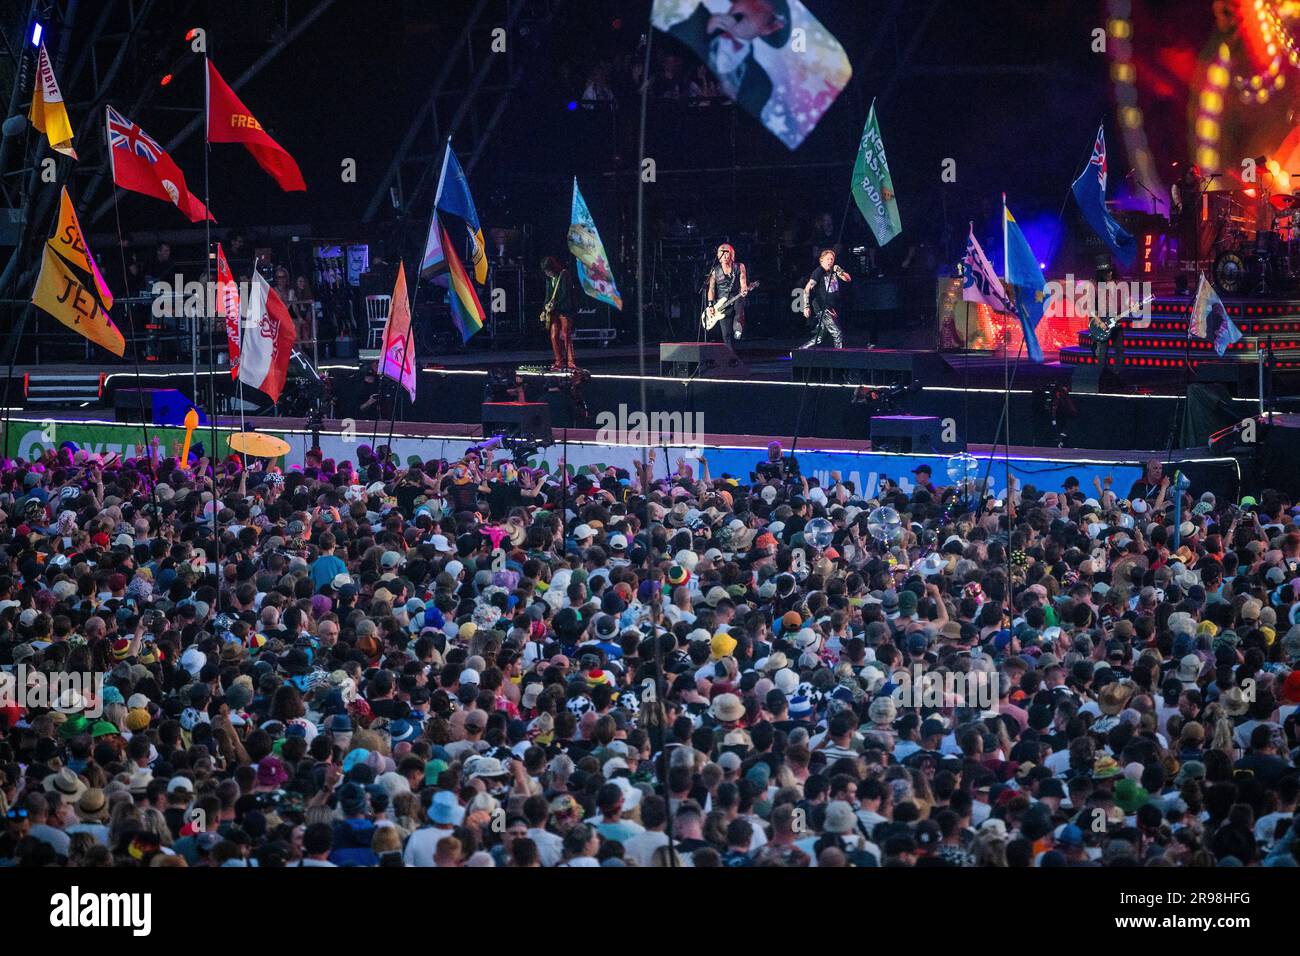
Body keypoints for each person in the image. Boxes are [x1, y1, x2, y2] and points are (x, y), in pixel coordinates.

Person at [666, 0, 793, 117]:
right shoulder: (698, 20)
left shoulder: (760, 85)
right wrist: (704, 31)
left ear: (769, 28)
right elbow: (666, 52)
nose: (744, 6)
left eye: (757, 7)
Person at [799, 248, 852, 349]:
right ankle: (839, 358)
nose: (830, 261)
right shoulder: (818, 271)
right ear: (821, 260)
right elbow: (807, 288)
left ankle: (801, 351)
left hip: (831, 306)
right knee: (837, 333)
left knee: (821, 337)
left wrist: (840, 271)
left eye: (832, 259)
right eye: (827, 259)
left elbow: (848, 279)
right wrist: (806, 306)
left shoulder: (835, 270)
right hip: (822, 306)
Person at [704, 243, 749, 344]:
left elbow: (743, 280)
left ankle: (738, 327)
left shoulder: (739, 266)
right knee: (726, 335)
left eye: (727, 252)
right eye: (722, 252)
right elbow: (711, 289)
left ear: (731, 254)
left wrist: (744, 288)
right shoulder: (715, 271)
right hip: (721, 303)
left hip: (736, 297)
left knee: (739, 303)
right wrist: (711, 305)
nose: (724, 255)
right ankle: (731, 357)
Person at [541, 255, 577, 371]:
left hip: (565, 310)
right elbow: (548, 296)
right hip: (554, 312)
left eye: (548, 270)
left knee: (566, 335)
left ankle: (571, 362)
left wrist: (554, 306)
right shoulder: (549, 279)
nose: (547, 273)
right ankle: (559, 362)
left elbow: (565, 294)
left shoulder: (564, 274)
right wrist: (545, 308)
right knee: (553, 336)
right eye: (546, 271)